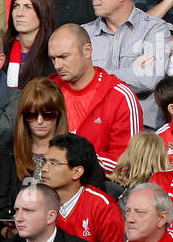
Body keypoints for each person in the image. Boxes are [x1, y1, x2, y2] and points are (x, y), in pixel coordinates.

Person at [82, 0, 170, 129]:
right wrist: (131, 72)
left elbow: (149, 78)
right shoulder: (84, 34)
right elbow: (77, 80)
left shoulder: (155, 29)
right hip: (95, 129)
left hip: (142, 135)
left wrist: (96, 78)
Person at [46, 24, 140, 174]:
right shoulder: (48, 90)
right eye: (53, 59)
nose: (57, 65)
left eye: (64, 57)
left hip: (101, 186)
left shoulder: (120, 96)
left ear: (87, 51)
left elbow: (129, 164)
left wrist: (76, 157)